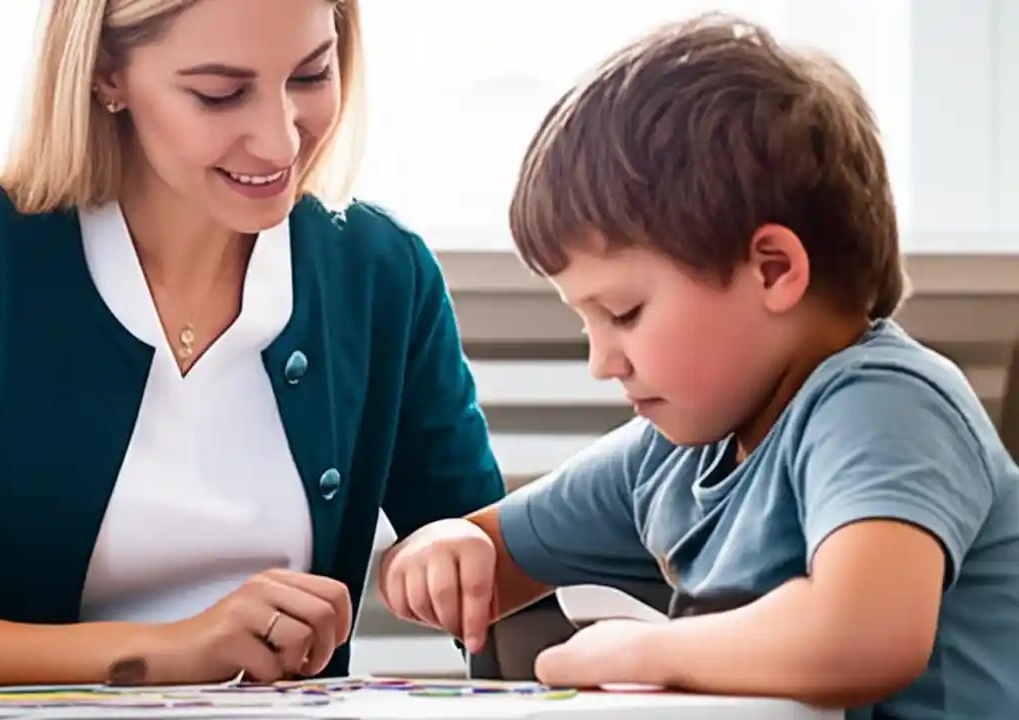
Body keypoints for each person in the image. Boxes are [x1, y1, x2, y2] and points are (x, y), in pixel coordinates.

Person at [0, 0, 504, 689]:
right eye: (220, 94)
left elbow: (503, 583)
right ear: (105, 74)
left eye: (311, 75)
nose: (282, 139)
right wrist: (173, 648)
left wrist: (454, 558)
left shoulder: (382, 271)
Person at [379, 14, 1019, 719]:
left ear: (773, 269)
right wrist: (446, 547)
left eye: (623, 312)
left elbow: (863, 634)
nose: (600, 361)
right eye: (584, 319)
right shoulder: (674, 456)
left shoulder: (887, 408)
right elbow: (490, 553)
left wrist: (642, 653)